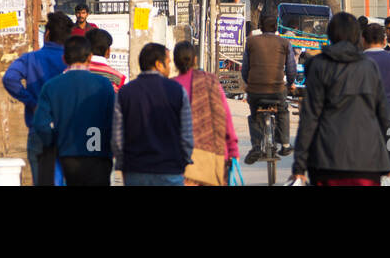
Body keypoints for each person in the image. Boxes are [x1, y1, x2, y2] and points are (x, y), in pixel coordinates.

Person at [291, 12, 390, 186]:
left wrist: (299, 166)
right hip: (368, 163)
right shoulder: (369, 67)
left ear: (330, 34)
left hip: (326, 163)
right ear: (357, 35)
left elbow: (309, 118)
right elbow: (386, 117)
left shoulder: (318, 66)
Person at [28, 35, 116, 186]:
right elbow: (114, 121)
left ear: (64, 59)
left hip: (67, 154)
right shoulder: (104, 85)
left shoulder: (51, 86)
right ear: (89, 57)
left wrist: (54, 142)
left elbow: (41, 125)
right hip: (98, 155)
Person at [3, 11, 73, 184]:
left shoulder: (31, 58)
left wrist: (32, 102)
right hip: (69, 133)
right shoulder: (71, 62)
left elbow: (9, 78)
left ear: (47, 33)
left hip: (39, 132)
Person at [112, 43, 194, 186]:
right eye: (168, 62)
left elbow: (117, 139)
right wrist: (184, 161)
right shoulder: (177, 91)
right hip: (170, 170)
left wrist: (123, 162)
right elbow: (187, 136)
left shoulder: (125, 92)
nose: (170, 67)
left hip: (135, 171)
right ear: (158, 64)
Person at [171, 41, 239, 186]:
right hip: (213, 159)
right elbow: (225, 117)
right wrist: (233, 149)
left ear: (175, 62)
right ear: (195, 60)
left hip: (179, 162)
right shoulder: (210, 81)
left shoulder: (169, 86)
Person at [240, 14, 296, 163]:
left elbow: (245, 69)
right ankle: (284, 144)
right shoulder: (285, 43)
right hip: (277, 90)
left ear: (261, 28)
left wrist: (249, 83)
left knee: (255, 115)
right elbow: (291, 68)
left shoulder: (251, 42)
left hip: (255, 91)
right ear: (276, 28)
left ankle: (257, 146)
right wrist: (290, 83)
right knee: (282, 110)